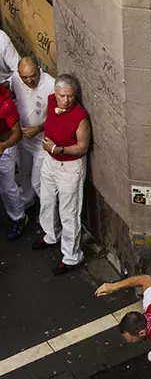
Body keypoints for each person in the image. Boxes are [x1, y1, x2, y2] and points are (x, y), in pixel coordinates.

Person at [33, 74, 91, 275]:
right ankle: (50, 235)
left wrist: (58, 149)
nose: (66, 100)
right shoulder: (51, 102)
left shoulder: (80, 117)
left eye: (70, 96)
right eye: (62, 96)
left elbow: (83, 147)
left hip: (70, 167)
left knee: (69, 212)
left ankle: (72, 256)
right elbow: (49, 121)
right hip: (50, 161)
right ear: (55, 94)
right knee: (47, 200)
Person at [11, 57, 55, 208]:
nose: (29, 81)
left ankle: (50, 219)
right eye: (25, 77)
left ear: (39, 68)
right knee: (23, 173)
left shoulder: (51, 85)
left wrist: (38, 128)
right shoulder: (16, 79)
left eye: (32, 76)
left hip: (41, 146)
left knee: (39, 183)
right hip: (22, 141)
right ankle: (27, 202)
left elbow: (59, 117)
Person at [0, 82, 28, 239]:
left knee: (7, 187)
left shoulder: (6, 104)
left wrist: (3, 146)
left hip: (5, 149)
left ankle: (19, 218)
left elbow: (17, 135)